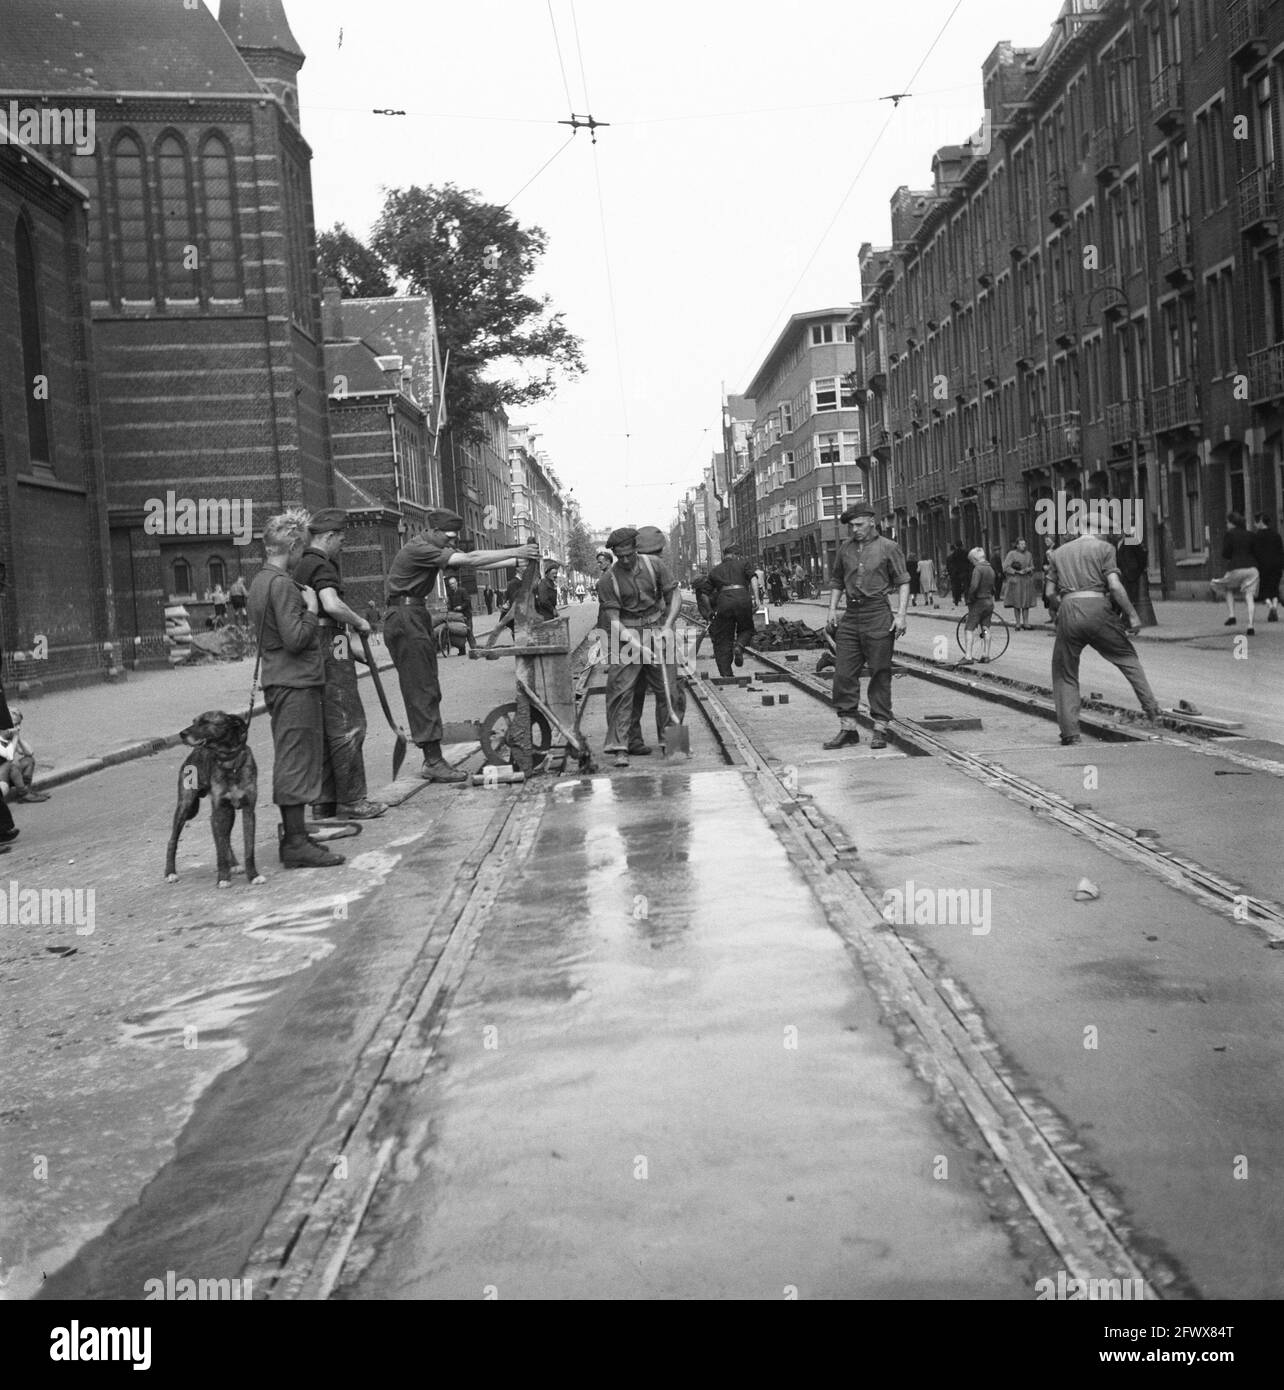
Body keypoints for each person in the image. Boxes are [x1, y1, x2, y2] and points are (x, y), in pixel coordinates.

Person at [385, 510, 538, 782]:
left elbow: (475, 564)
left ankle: (433, 756)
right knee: (422, 689)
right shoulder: (421, 547)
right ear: (433, 530)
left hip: (414, 615)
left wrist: (519, 559)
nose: (451, 541)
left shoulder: (434, 544)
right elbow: (470, 558)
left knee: (428, 688)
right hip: (405, 617)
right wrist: (518, 549)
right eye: (449, 536)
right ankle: (433, 761)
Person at [247, 511, 344, 869]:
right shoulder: (284, 585)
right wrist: (312, 608)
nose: (302, 556)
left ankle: (297, 834)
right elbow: (297, 639)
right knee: (296, 759)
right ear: (292, 546)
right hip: (295, 681)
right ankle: (296, 843)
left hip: (279, 679)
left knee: (293, 755)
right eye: (301, 548)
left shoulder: (260, 581)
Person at [292, 509, 386, 822]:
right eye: (341, 538)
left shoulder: (301, 565)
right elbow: (331, 606)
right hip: (328, 644)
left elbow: (327, 624)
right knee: (348, 723)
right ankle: (353, 801)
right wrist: (360, 622)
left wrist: (351, 652)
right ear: (329, 536)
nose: (343, 544)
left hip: (320, 645)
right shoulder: (322, 564)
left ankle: (325, 803)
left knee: (327, 724)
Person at [1045, 510, 1160, 746]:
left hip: (1068, 609)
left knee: (1065, 672)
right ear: (1095, 529)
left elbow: (1049, 594)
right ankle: (1152, 710)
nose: (1107, 536)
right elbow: (1115, 587)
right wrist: (1133, 615)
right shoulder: (1105, 550)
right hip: (1098, 607)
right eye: (1105, 532)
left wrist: (1064, 606)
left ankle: (1070, 734)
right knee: (1127, 657)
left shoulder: (1058, 553)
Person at [823, 503, 910, 751]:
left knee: (880, 672)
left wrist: (901, 615)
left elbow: (903, 581)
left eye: (859, 524)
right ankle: (848, 728)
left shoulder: (888, 547)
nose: (855, 529)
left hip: (878, 614)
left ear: (872, 521)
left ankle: (880, 728)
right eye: (851, 526)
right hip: (851, 616)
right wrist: (832, 609)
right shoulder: (845, 549)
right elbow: (838, 580)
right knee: (843, 673)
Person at [597, 527, 681, 768]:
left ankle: (673, 744)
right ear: (613, 553)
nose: (624, 560)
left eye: (629, 554)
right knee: (621, 691)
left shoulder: (655, 565)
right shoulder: (607, 580)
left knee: (669, 689)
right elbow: (613, 621)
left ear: (636, 548)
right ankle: (622, 746)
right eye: (619, 556)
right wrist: (639, 647)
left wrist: (668, 625)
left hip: (657, 629)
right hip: (626, 635)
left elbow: (674, 595)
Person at [705, 546, 759, 677]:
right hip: (742, 598)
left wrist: (709, 611)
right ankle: (739, 646)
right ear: (736, 555)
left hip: (724, 602)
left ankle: (727, 674)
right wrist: (756, 598)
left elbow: (706, 593)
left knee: (723, 638)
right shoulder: (744, 564)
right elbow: (753, 578)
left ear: (725, 556)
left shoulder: (714, 571)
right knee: (747, 629)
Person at [1210, 511, 1260, 634]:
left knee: (1227, 587)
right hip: (1252, 569)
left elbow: (1225, 553)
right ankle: (1250, 626)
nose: (1226, 525)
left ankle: (1232, 616)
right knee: (1249, 596)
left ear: (1232, 523)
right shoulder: (1251, 535)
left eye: (1227, 522)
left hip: (1236, 567)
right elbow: (1256, 552)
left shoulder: (1230, 534)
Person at [0, 711, 49, 803]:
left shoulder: (8, 736)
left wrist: (17, 737)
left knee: (28, 761)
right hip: (1, 781)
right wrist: (14, 737)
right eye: (16, 724)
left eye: (19, 724)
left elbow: (29, 752)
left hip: (8, 775)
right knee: (11, 764)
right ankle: (24, 794)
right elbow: (9, 757)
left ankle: (27, 791)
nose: (19, 728)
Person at [961, 547, 997, 662]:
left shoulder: (978, 569)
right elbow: (993, 588)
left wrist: (970, 597)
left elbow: (974, 586)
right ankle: (986, 655)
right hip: (989, 601)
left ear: (975, 559)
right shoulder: (990, 569)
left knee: (969, 628)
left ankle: (968, 656)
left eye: (972, 560)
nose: (972, 563)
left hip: (979, 602)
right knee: (985, 628)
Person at [1002, 537, 1039, 630]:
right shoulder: (1011, 554)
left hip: (1026, 580)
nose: (1023, 546)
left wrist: (1029, 569)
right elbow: (1006, 567)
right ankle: (1018, 623)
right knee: (1017, 602)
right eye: (1021, 544)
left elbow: (1032, 566)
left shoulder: (1028, 554)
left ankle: (1026, 623)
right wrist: (1017, 571)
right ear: (1017, 545)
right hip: (1016, 581)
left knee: (1026, 602)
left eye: (1024, 544)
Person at [1252, 514, 1283, 622]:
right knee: (1274, 588)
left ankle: (1271, 607)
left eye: (1255, 522)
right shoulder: (1276, 535)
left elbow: (1255, 553)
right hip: (1277, 566)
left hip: (1263, 567)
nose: (1254, 525)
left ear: (1260, 522)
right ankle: (1274, 607)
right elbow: (1281, 551)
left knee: (1264, 589)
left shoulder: (1257, 537)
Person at [1115, 528, 1149, 618]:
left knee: (1129, 599)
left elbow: (1142, 556)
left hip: (1130, 576)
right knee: (1119, 598)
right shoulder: (1116, 544)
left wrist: (1136, 571)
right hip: (1120, 576)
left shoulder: (1131, 541)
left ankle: (1128, 623)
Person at [445, 575, 478, 654]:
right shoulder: (450, 593)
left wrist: (461, 607)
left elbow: (467, 601)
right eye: (450, 584)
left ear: (456, 583)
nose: (451, 585)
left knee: (469, 631)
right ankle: (462, 650)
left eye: (453, 583)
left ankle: (474, 649)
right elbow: (450, 605)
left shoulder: (462, 590)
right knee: (459, 633)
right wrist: (447, 604)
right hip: (457, 617)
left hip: (466, 615)